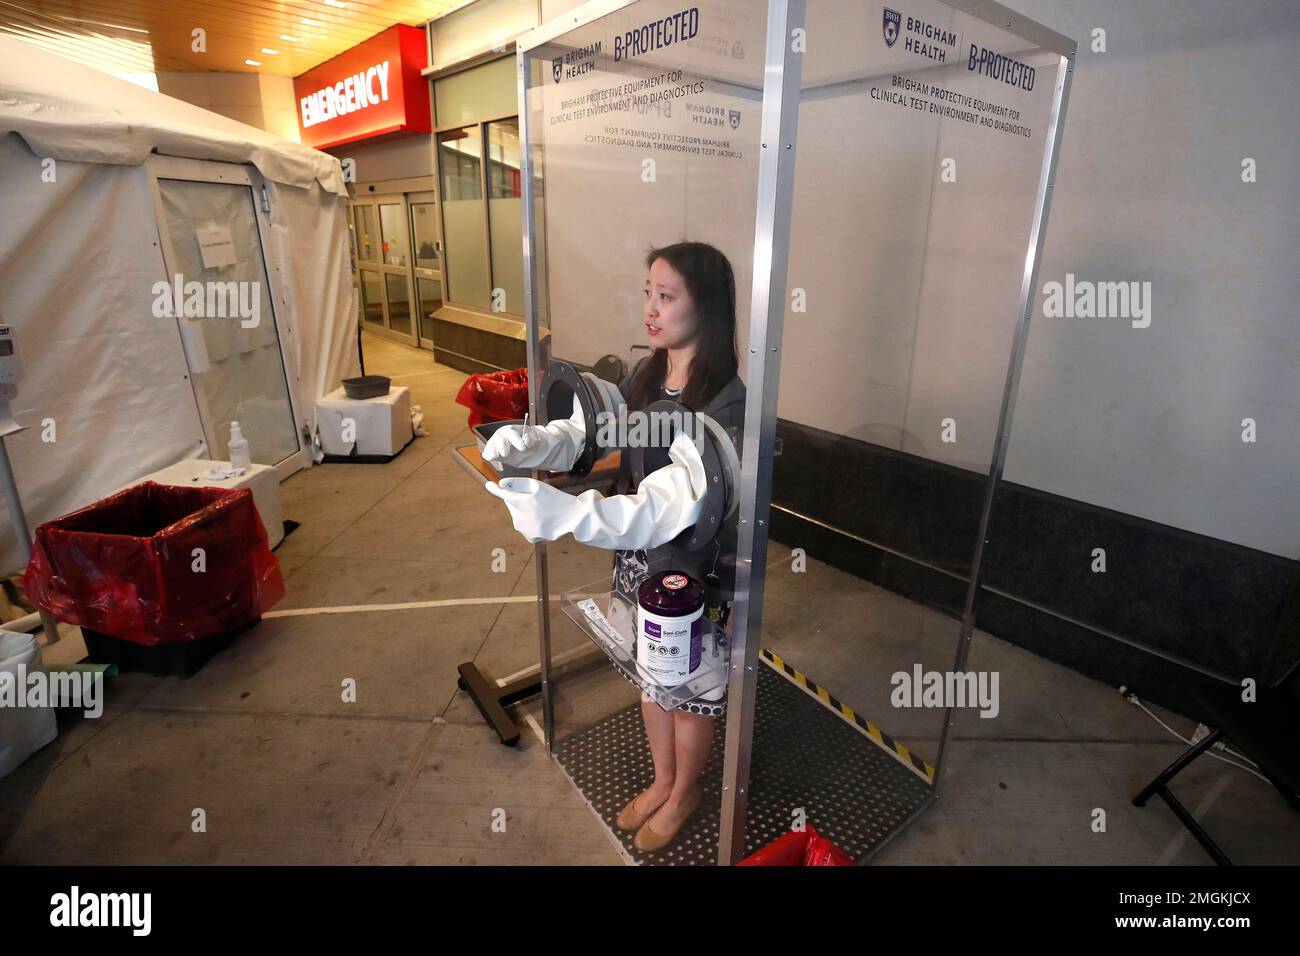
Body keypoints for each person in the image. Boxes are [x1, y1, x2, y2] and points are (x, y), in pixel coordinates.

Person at [484, 240, 745, 853]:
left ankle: (686, 793)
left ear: (704, 307)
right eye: (648, 293)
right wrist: (531, 443)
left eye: (667, 296)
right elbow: (590, 430)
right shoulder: (645, 375)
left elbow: (675, 502)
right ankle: (662, 780)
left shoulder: (725, 401)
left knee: (690, 690)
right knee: (647, 674)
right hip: (635, 563)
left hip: (691, 574)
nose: (649, 308)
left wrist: (572, 513)